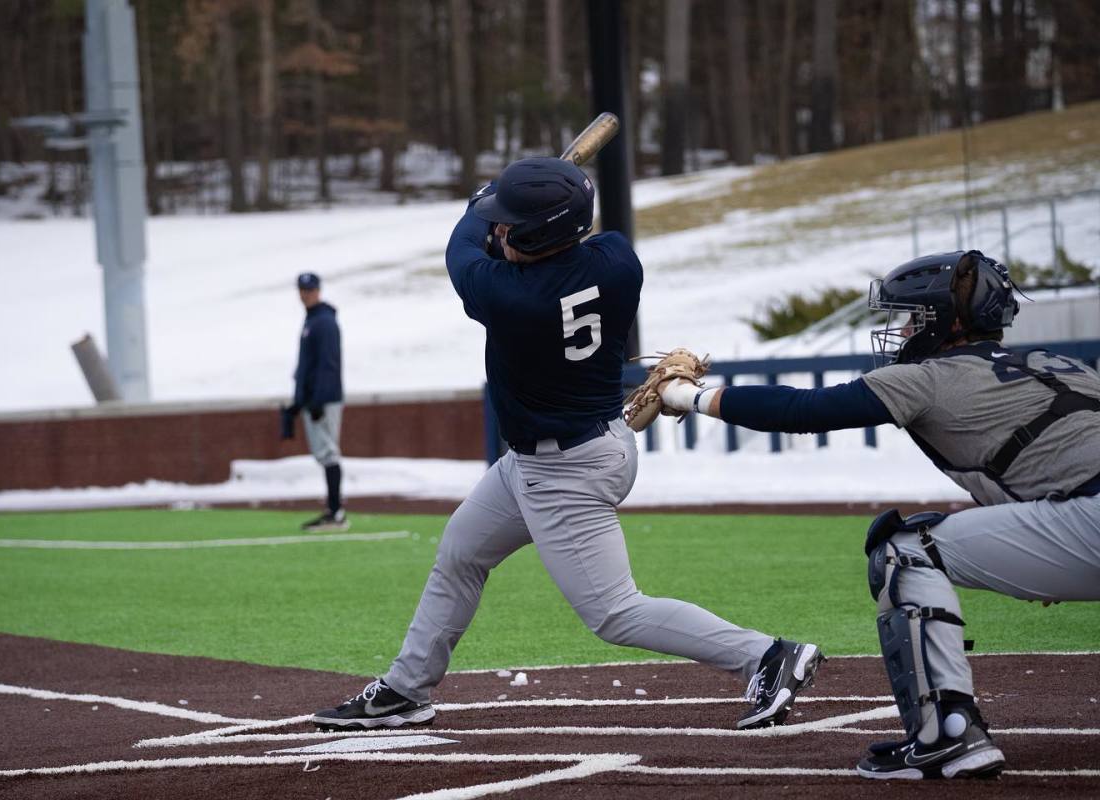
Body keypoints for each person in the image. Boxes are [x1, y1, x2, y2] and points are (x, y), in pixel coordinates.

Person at [310, 157, 824, 731]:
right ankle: (407, 688)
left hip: (567, 471)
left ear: (537, 233)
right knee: (461, 553)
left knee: (614, 612)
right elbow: (556, 239)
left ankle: (767, 655)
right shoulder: (619, 261)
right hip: (566, 451)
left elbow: (462, 245)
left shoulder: (509, 298)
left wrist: (481, 204)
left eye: (510, 225)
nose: (499, 231)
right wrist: (523, 202)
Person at [654, 249, 1100, 780]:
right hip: (1082, 513)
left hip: (1088, 521)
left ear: (947, 321)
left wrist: (691, 395)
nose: (904, 329)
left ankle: (946, 734)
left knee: (903, 549)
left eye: (914, 316)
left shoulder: (927, 378)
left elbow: (803, 412)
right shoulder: (1064, 365)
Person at [283, 272, 347, 532]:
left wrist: (318, 399)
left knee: (328, 452)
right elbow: (308, 366)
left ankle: (335, 512)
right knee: (324, 453)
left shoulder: (324, 322)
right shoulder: (312, 320)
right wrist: (299, 401)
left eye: (309, 290)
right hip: (315, 398)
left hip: (325, 398)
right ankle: (332, 510)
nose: (304, 294)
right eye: (301, 289)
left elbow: (327, 365)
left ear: (318, 290)